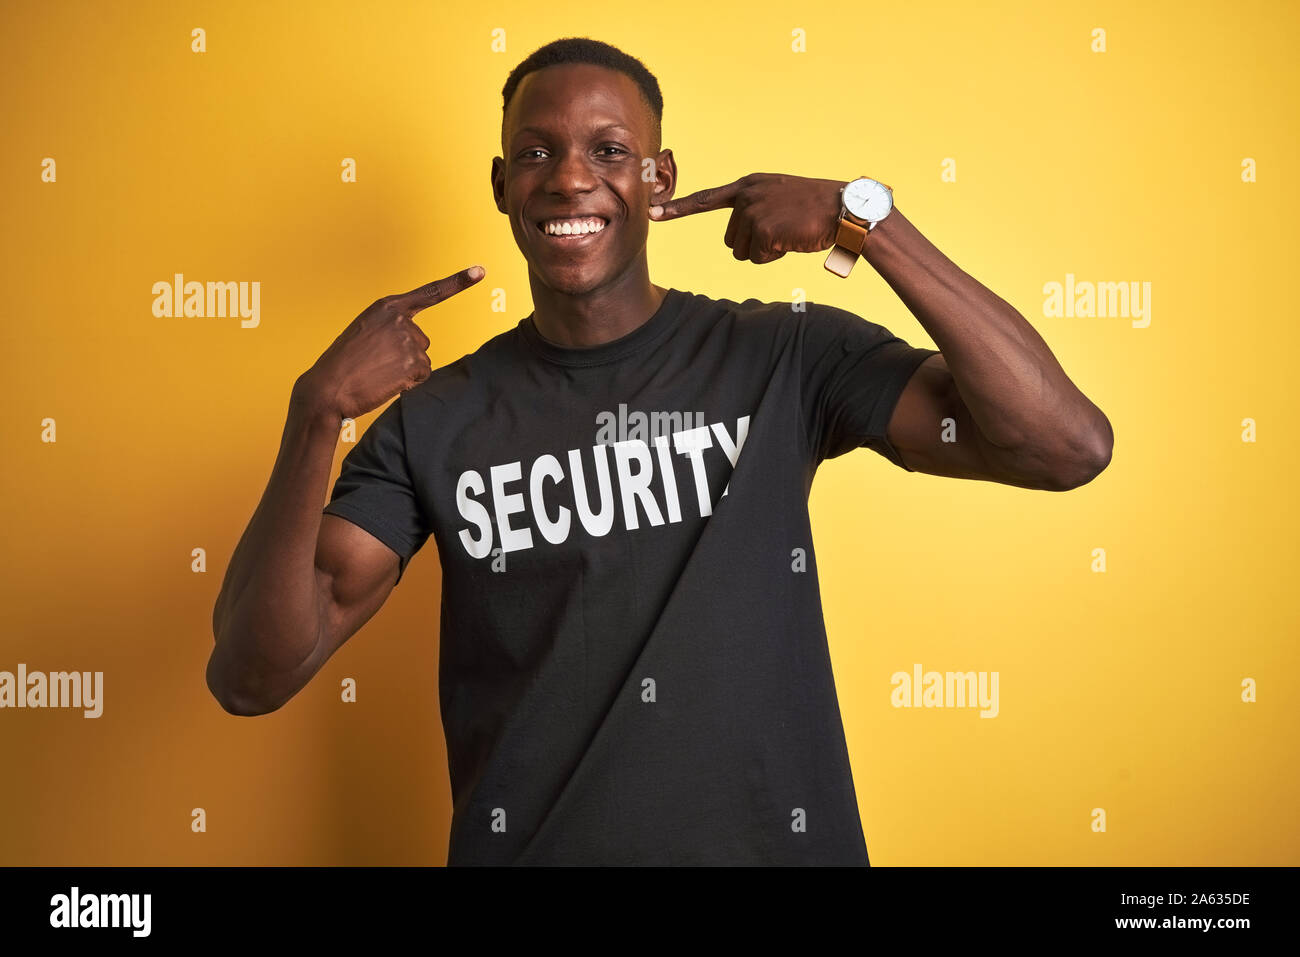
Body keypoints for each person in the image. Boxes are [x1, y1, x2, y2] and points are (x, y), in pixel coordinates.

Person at [207, 36, 1113, 866]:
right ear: (501, 184)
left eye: (608, 150)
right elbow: (253, 673)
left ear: (659, 177)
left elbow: (1066, 444)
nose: (571, 179)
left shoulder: (784, 357)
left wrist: (865, 221)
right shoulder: (436, 422)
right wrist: (316, 412)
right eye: (537, 153)